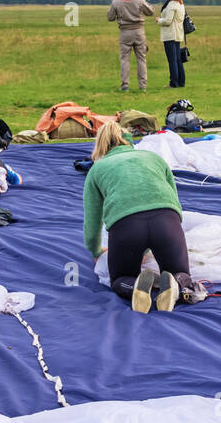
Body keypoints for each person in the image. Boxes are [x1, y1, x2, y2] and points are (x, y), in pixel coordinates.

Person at [82, 121, 199, 313]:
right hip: (166, 222)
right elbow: (175, 202)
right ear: (128, 140)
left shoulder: (97, 169)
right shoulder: (153, 158)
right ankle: (176, 282)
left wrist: (96, 251)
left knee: (120, 279)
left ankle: (134, 286)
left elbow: (92, 220)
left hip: (126, 227)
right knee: (180, 273)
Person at [107, 0, 155, 93]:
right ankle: (142, 86)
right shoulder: (139, 0)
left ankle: (125, 86)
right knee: (141, 58)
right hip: (139, 32)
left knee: (124, 59)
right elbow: (150, 12)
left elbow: (110, 17)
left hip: (124, 32)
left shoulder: (116, 2)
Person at [156, 0, 187, 89]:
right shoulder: (180, 4)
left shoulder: (172, 4)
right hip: (178, 34)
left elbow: (168, 21)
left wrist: (159, 20)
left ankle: (173, 83)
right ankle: (181, 82)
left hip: (170, 35)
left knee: (172, 60)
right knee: (178, 60)